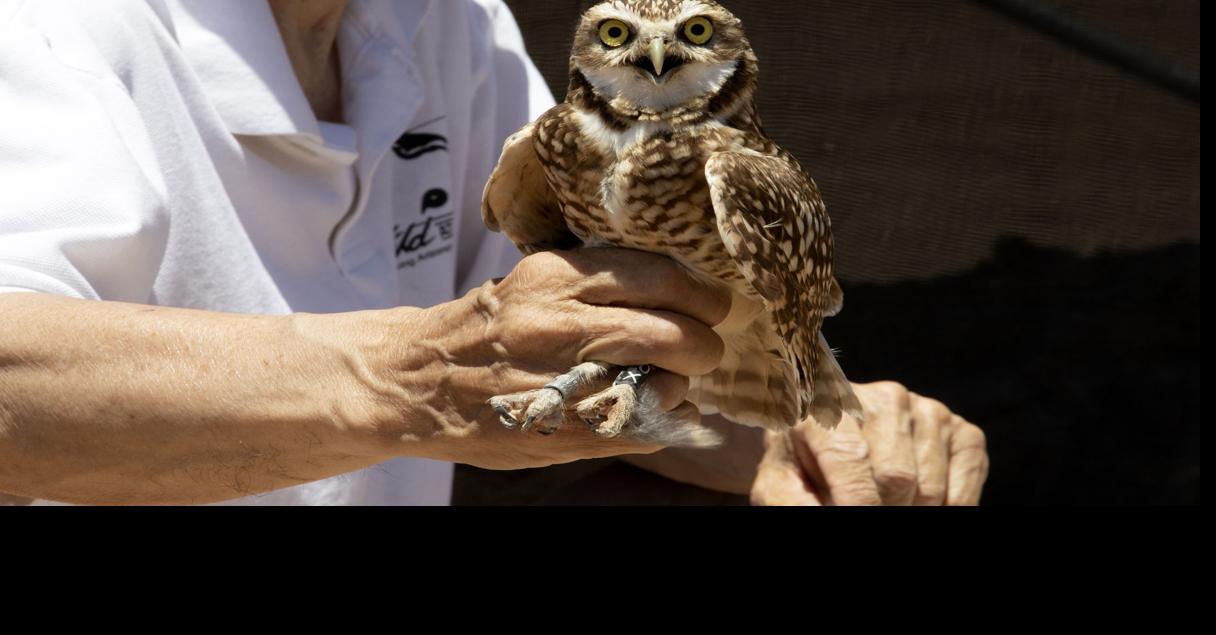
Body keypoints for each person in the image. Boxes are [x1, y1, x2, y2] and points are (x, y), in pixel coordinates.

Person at [0, 0, 987, 506]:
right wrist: (411, 379)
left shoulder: (438, 24)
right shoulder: (45, 33)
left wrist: (806, 434)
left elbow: (558, 345)